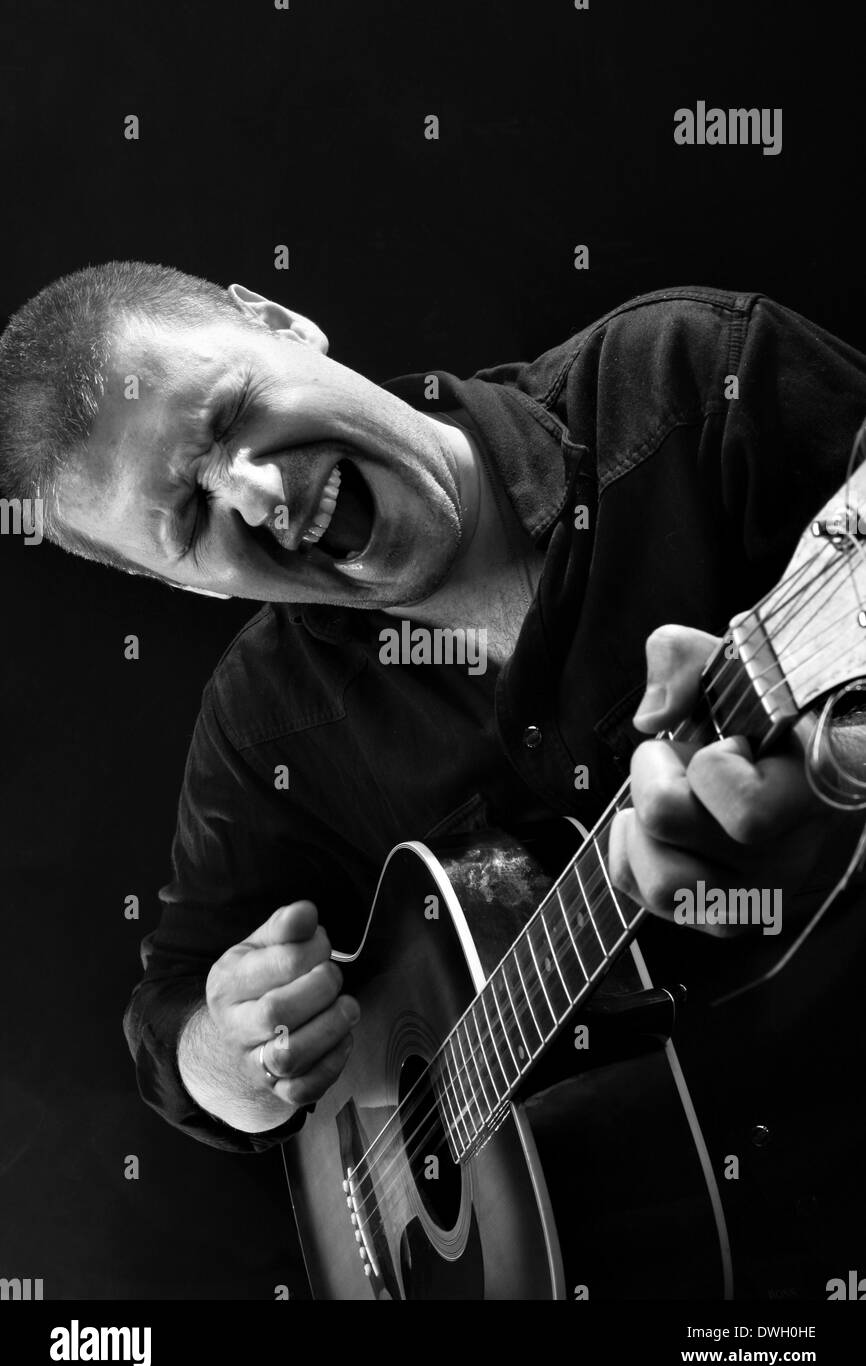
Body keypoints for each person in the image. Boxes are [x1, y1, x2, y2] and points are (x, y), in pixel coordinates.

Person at [2, 262, 865, 1167]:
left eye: (229, 414)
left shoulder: (687, 379)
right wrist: (229, 1054)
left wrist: (838, 777)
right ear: (178, 582)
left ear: (281, 321)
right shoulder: (263, 727)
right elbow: (173, 1001)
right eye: (187, 521)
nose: (261, 495)